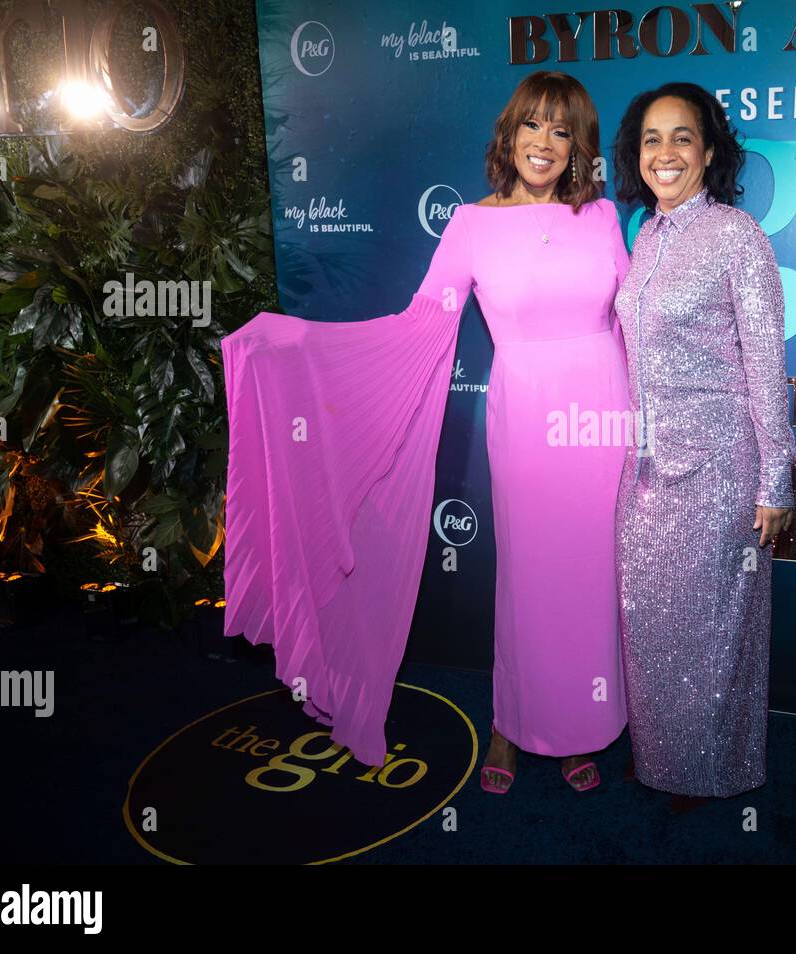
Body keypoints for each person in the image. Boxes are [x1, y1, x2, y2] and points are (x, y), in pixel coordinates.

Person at [222, 71, 630, 794]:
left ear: (579, 148)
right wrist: (300, 345)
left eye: (562, 131)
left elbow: (634, 319)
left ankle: (579, 726)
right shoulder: (471, 224)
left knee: (593, 578)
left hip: (606, 418)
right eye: (533, 125)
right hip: (531, 416)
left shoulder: (599, 217)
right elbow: (423, 321)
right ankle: (513, 720)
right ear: (510, 135)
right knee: (535, 579)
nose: (545, 142)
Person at [611, 82, 796, 800]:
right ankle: (663, 756)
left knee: (713, 631)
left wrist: (775, 481)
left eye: (682, 137)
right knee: (655, 630)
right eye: (652, 138)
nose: (665, 152)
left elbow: (765, 366)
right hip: (648, 471)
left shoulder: (738, 237)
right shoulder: (648, 235)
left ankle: (708, 768)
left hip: (719, 470)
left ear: (709, 150)